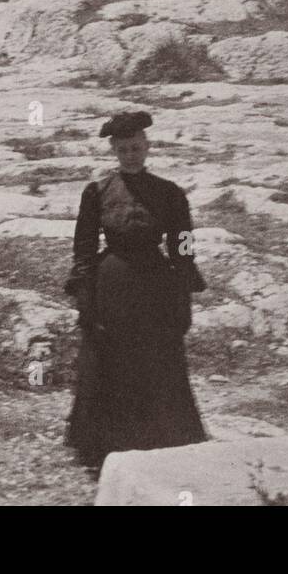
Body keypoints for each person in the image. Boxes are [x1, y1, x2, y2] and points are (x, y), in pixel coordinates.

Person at [65, 110, 206, 468]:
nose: (131, 154)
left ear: (148, 147)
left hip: (154, 282)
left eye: (137, 147)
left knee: (157, 355)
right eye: (124, 149)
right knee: (109, 355)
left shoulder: (169, 192)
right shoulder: (97, 191)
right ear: (114, 150)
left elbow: (183, 241)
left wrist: (183, 281)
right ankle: (105, 441)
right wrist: (84, 286)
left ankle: (160, 435)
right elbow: (84, 242)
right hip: (111, 281)